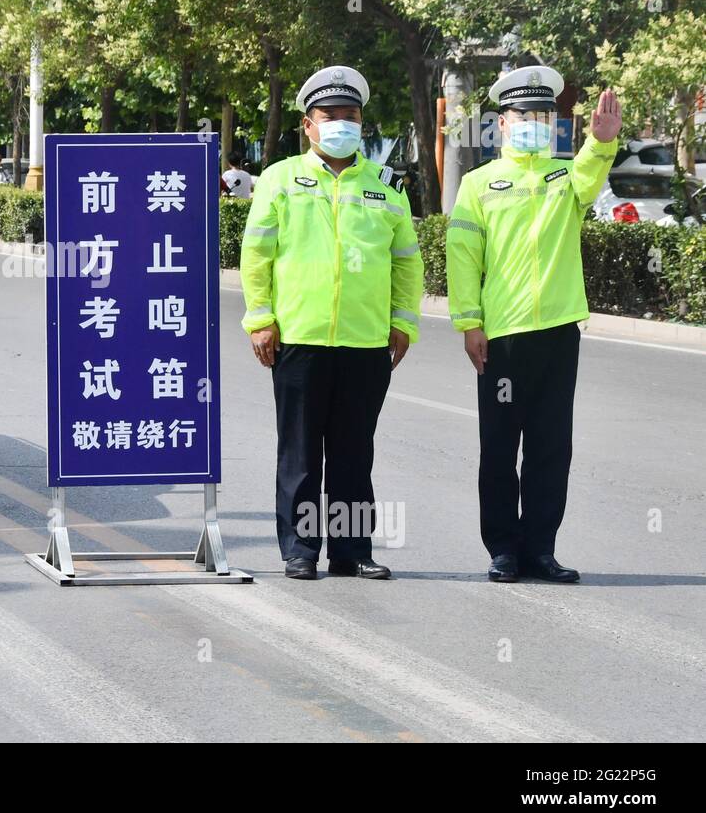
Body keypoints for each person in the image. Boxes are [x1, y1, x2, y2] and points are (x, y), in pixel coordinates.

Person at [240, 65, 424, 580]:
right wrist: (260, 318)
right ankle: (300, 550)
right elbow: (256, 253)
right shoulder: (280, 178)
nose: (341, 124)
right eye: (330, 116)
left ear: (362, 123)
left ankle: (352, 551)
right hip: (298, 338)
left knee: (353, 454)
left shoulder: (387, 185)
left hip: (366, 342)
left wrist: (402, 321)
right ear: (308, 125)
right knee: (299, 454)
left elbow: (407, 258)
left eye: (351, 116)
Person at [446, 66, 621, 584]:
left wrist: (602, 143)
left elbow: (591, 176)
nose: (535, 123)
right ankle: (502, 548)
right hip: (502, 338)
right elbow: (461, 255)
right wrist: (469, 322)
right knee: (500, 448)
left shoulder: (565, 176)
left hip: (559, 333)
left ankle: (541, 548)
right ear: (501, 124)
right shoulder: (479, 184)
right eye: (525, 115)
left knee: (551, 446)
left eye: (544, 115)